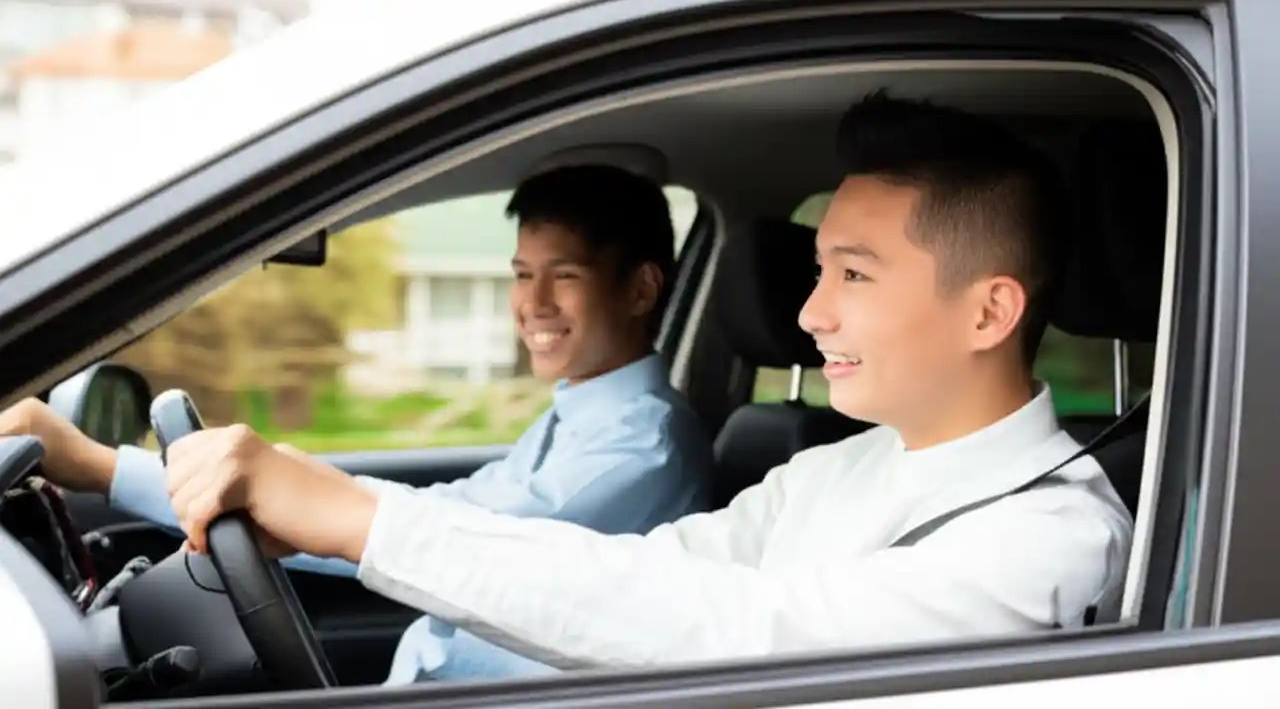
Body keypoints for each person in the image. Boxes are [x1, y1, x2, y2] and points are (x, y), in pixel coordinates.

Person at [140, 93, 1137, 669]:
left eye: (853, 275)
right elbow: (651, 573)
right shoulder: (836, 473)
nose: (808, 313)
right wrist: (345, 514)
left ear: (987, 312)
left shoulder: (1039, 543)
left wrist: (359, 519)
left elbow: (739, 637)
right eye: (818, 268)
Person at [0, 164, 711, 682]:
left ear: (642, 288)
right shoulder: (583, 417)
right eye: (523, 275)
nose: (533, 304)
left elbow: (431, 536)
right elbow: (444, 511)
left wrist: (101, 465)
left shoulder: (640, 447)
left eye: (567, 277)